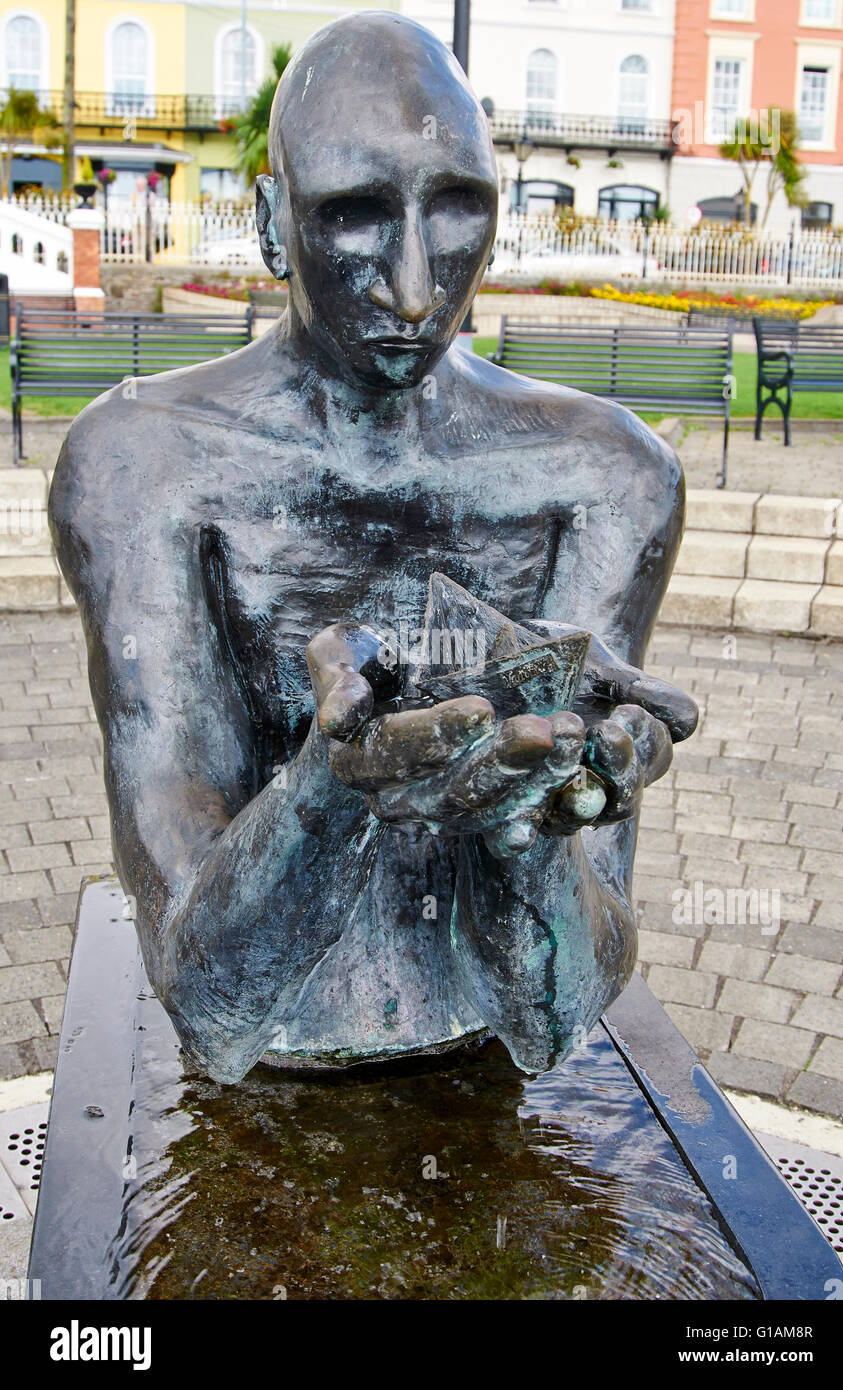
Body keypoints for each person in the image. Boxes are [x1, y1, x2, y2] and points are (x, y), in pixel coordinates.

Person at [49, 12, 697, 1085]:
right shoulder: (143, 466)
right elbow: (211, 1004)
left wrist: (530, 832)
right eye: (353, 216)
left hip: (471, 1052)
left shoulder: (603, 476)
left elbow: (555, 1018)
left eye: (455, 213)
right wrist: (330, 789)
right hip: (277, 1056)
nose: (413, 286)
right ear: (270, 222)